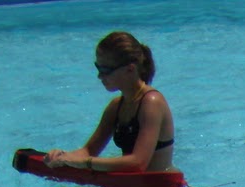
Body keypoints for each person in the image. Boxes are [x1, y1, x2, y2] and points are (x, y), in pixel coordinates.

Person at [45, 32, 175, 175]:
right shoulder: (116, 106)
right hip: (133, 185)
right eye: (98, 68)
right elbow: (88, 151)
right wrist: (62, 156)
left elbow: (138, 163)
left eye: (105, 70)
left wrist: (86, 163)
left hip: (162, 186)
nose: (99, 76)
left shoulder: (152, 102)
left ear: (130, 69)